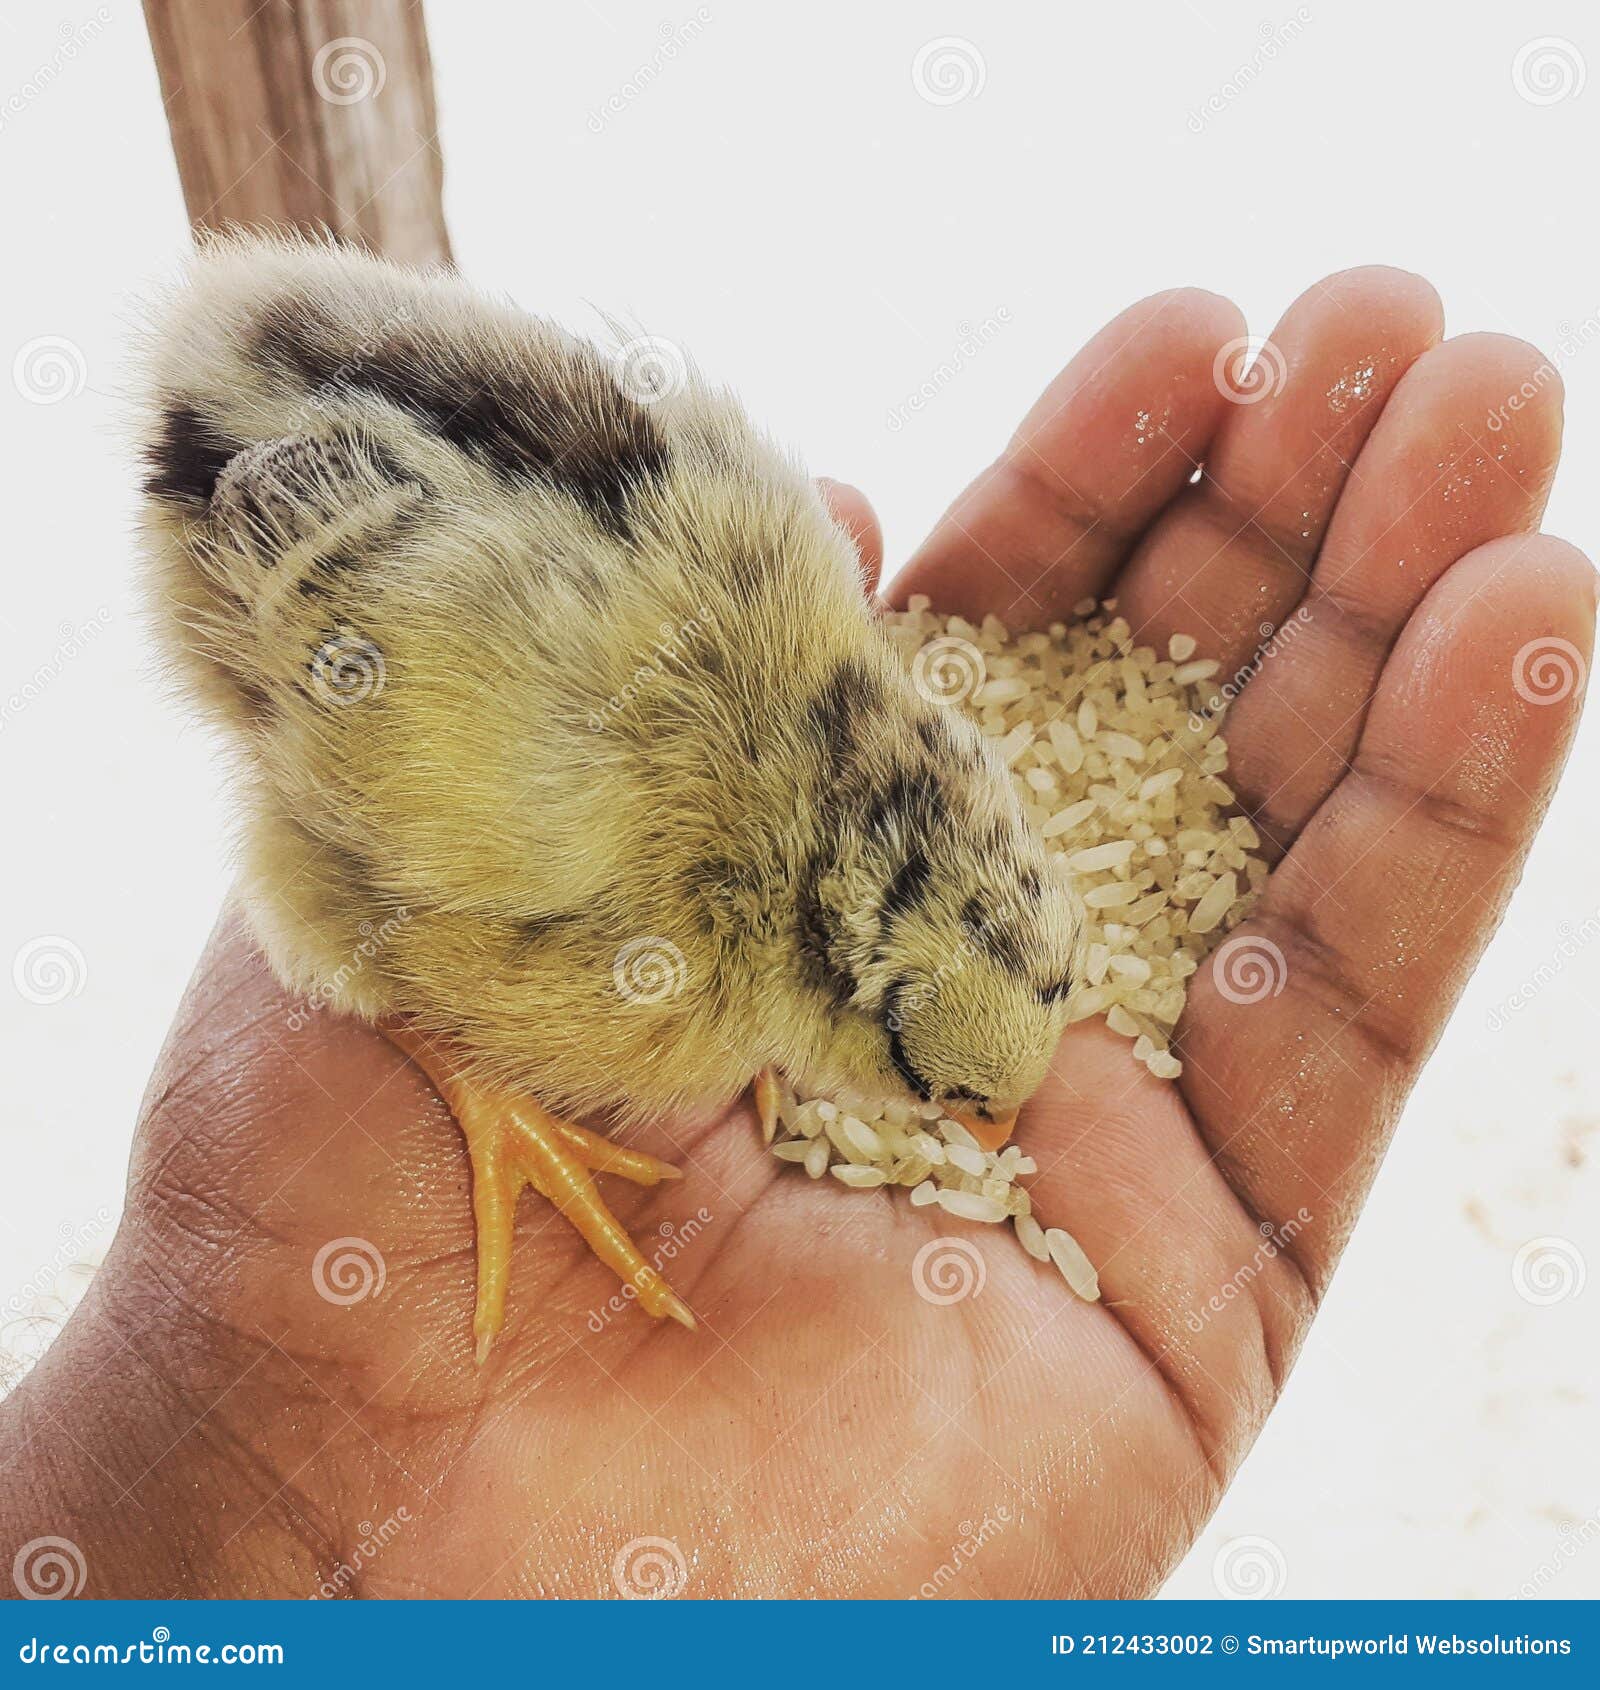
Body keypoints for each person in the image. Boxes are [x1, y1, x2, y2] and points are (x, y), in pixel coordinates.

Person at [1, 269, 1590, 1599]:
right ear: (845, 991)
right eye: (941, 1080)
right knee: (418, 881)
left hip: (385, 425)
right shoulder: (589, 850)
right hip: (249, 488)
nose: (979, 1128)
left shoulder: (793, 572)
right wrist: (237, 1458)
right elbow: (256, 513)